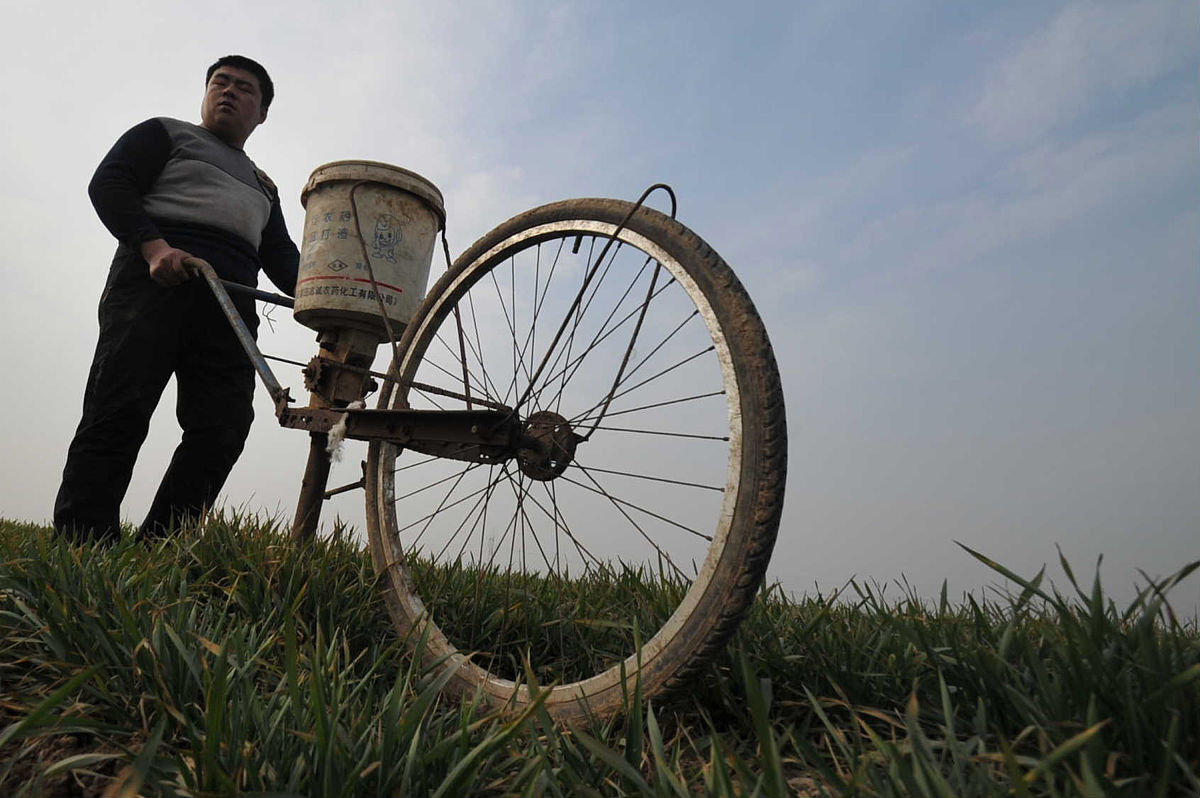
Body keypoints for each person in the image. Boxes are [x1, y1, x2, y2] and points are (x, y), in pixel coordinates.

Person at [54, 55, 300, 542]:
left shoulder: (263, 186)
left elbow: (283, 258)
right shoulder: (166, 133)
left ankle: (160, 546)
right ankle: (83, 541)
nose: (228, 91)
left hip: (229, 305)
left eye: (244, 88)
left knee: (224, 427)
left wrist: (330, 298)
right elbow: (110, 182)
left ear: (262, 113)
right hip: (153, 284)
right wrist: (154, 247)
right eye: (219, 82)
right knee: (118, 408)